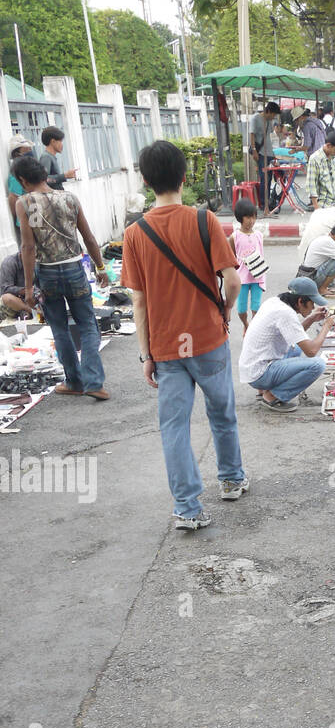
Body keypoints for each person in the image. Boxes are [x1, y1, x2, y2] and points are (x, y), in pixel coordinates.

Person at [122, 140, 245, 531]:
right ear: (184, 176)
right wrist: (224, 310)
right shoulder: (203, 220)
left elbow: (138, 303)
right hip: (209, 339)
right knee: (222, 413)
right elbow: (233, 280)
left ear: (145, 180)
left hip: (165, 346)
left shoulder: (135, 233)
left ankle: (187, 509)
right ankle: (230, 479)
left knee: (173, 426)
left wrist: (146, 356)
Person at [15, 155, 110, 401]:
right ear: (45, 176)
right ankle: (94, 382)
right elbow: (88, 237)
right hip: (74, 268)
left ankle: (75, 382)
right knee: (88, 325)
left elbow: (28, 248)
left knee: (59, 328)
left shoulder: (25, 203)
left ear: (23, 180)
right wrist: (100, 268)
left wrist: (28, 288)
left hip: (47, 274)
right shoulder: (70, 198)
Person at [239, 277, 333, 411]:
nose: (313, 307)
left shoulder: (275, 302)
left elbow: (294, 334)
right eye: (312, 303)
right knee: (318, 365)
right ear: (300, 301)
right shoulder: (286, 313)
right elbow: (311, 351)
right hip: (259, 373)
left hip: (252, 367)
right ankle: (272, 396)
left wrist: (311, 319)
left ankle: (263, 389)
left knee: (295, 349)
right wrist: (326, 327)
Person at [232, 198, 266, 334]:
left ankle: (253, 329)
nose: (251, 221)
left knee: (256, 307)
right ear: (240, 218)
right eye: (248, 217)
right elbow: (231, 257)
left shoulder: (259, 235)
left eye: (254, 217)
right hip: (242, 278)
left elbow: (261, 254)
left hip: (257, 276)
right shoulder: (234, 237)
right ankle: (246, 324)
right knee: (241, 309)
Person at [249, 101, 280, 210]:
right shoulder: (255, 118)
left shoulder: (269, 121)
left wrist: (274, 153)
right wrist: (254, 151)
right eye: (274, 114)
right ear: (268, 111)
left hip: (269, 153)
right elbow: (252, 135)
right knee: (264, 178)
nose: (274, 117)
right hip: (261, 153)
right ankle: (263, 203)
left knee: (271, 177)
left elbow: (270, 137)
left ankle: (268, 201)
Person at [7, 133, 33, 235]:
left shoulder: (26, 169)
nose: (29, 151)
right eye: (25, 149)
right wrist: (18, 217)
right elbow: (13, 197)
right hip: (27, 218)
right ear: (17, 153)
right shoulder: (16, 172)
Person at [0, 248, 31, 321]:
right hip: (16, 302)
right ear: (21, 255)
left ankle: (28, 312)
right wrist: (26, 290)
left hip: (32, 299)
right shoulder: (9, 262)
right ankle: (32, 311)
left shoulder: (36, 262)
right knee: (6, 298)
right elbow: (5, 289)